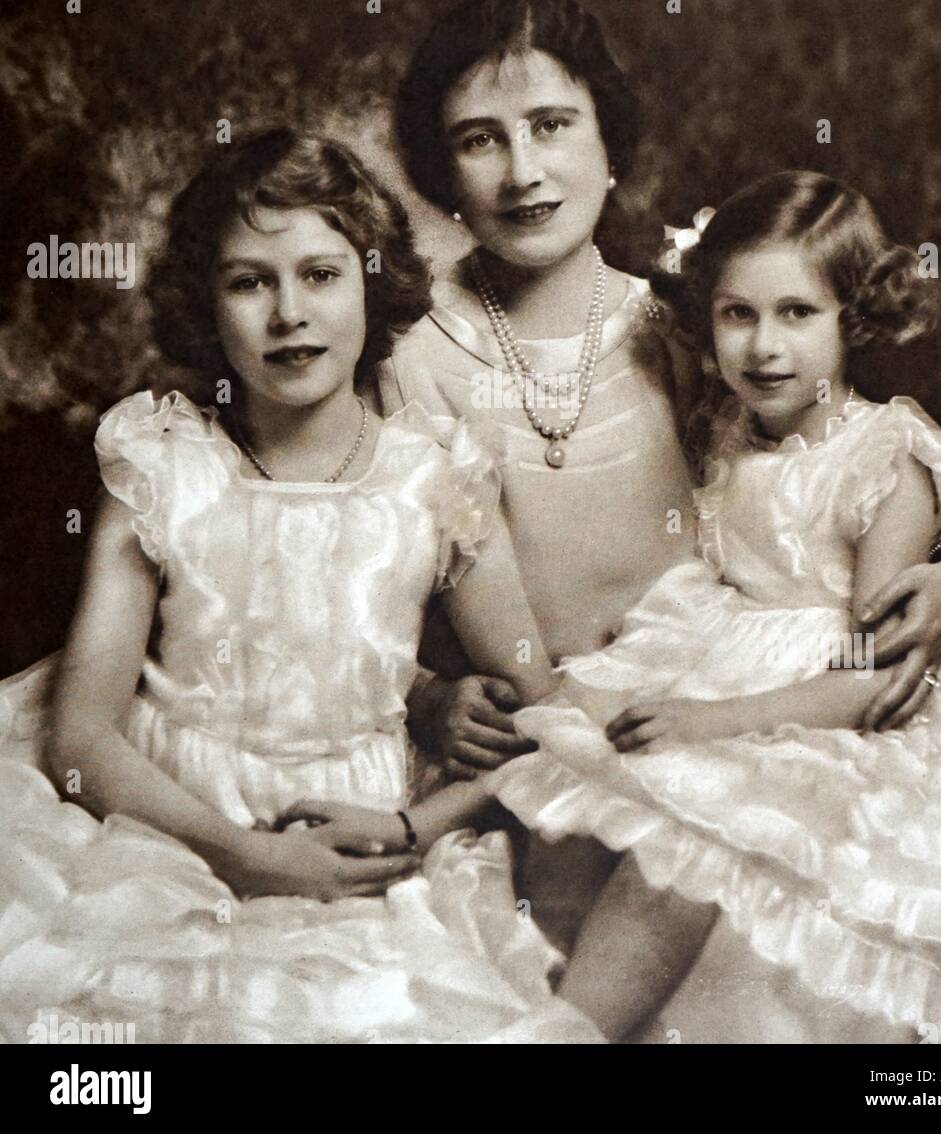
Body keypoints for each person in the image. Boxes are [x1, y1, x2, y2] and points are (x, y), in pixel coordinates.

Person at [380, 0, 941, 958]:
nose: (523, 171)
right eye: (479, 139)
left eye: (552, 125)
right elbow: (325, 562)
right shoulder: (406, 353)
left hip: (708, 732)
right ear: (441, 171)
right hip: (531, 750)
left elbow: (870, 459)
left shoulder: (689, 323)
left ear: (610, 143)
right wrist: (427, 693)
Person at [0, 129, 602, 1044]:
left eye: (321, 275)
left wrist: (413, 826)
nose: (289, 313)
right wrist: (246, 856)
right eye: (250, 282)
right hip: (165, 831)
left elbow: (545, 720)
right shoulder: (161, 464)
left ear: (371, 284)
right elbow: (80, 734)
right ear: (206, 303)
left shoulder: (435, 477)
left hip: (365, 841)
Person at [493, 170, 941, 1042]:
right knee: (576, 790)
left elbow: (874, 671)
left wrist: (713, 721)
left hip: (837, 725)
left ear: (853, 319)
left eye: (797, 314)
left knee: (693, 855)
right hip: (727, 664)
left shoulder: (886, 457)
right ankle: (558, 1015)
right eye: (738, 314)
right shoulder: (730, 431)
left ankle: (571, 1031)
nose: (764, 347)